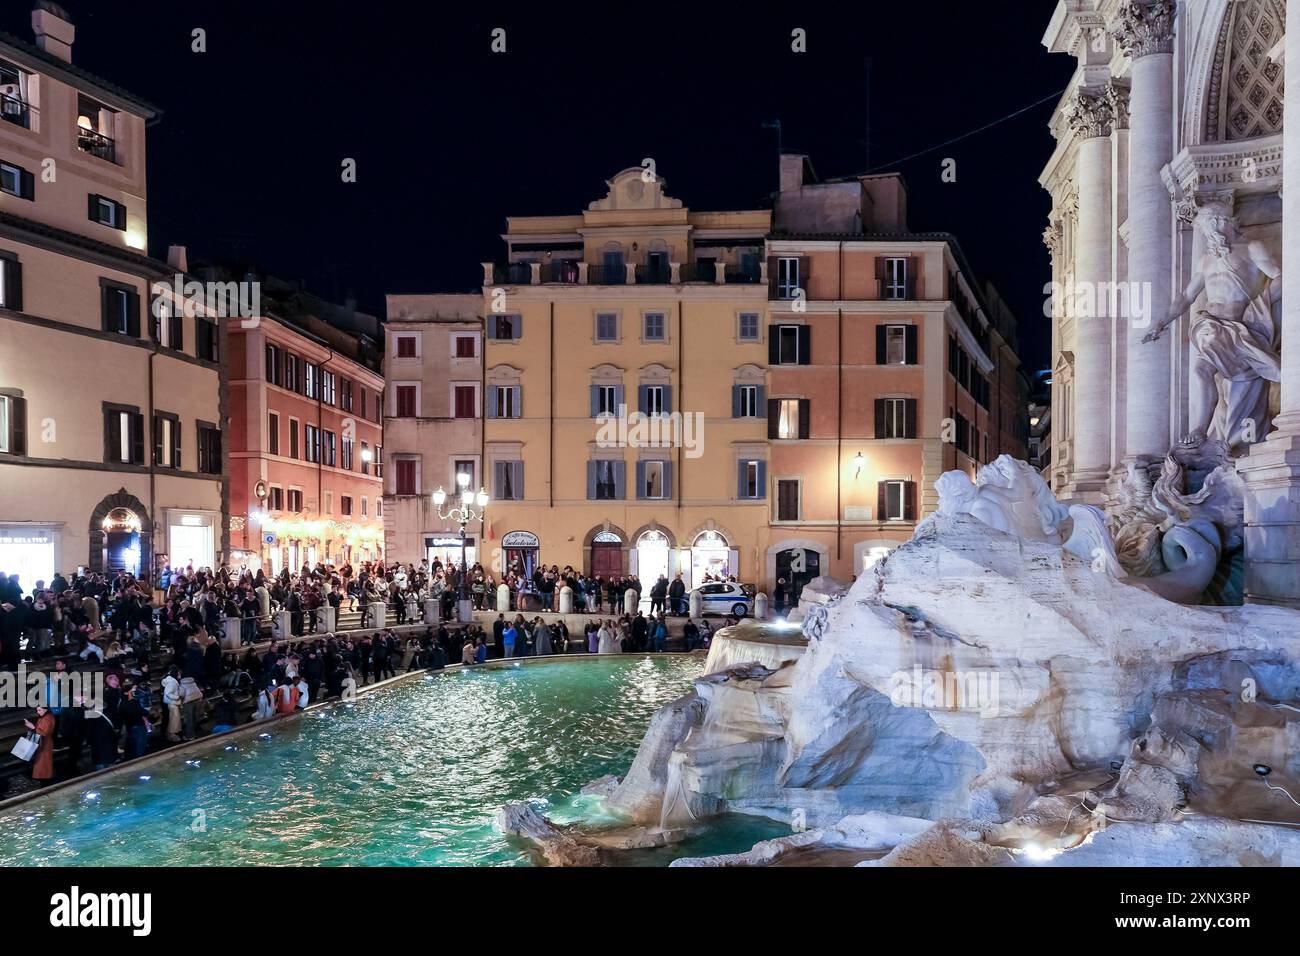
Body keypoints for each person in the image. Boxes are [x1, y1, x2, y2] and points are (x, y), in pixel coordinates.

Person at [24, 704, 56, 784]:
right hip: (44, 743)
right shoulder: (45, 717)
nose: (38, 712)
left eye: (39, 710)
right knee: (43, 763)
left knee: (44, 764)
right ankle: (44, 779)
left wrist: (33, 727)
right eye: (37, 710)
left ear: (45, 709)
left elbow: (44, 732)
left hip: (45, 744)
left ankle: (45, 781)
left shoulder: (47, 718)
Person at [162, 666, 183, 742]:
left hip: (172, 703)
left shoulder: (172, 681)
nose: (180, 675)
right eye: (179, 674)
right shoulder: (172, 683)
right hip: (173, 703)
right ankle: (171, 734)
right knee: (174, 720)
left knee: (175, 719)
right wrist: (177, 697)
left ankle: (171, 733)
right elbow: (168, 693)